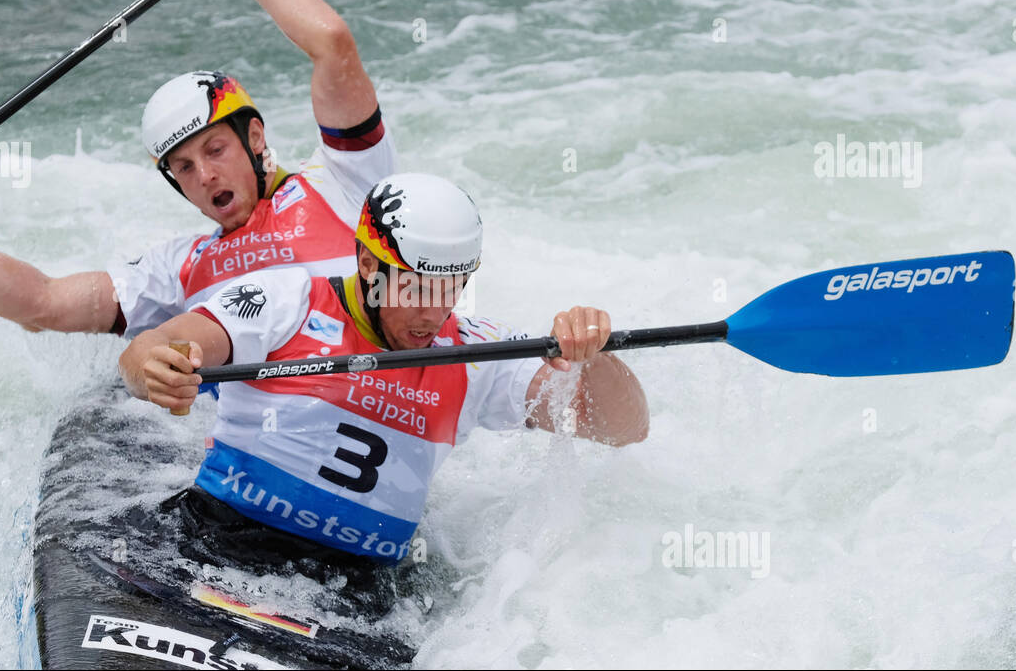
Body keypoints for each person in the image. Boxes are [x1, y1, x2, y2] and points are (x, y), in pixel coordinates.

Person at [119, 173, 649, 581]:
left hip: (357, 586)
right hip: (211, 540)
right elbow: (158, 345)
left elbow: (624, 428)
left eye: (451, 289)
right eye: (416, 289)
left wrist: (593, 356)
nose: (433, 313)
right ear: (369, 267)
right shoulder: (288, 300)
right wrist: (155, 367)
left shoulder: (476, 353)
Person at [0, 0, 393, 340]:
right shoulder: (179, 269)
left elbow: (333, 46)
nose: (205, 175)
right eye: (184, 167)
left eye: (215, 149)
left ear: (255, 138)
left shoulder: (346, 185)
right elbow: (41, 305)